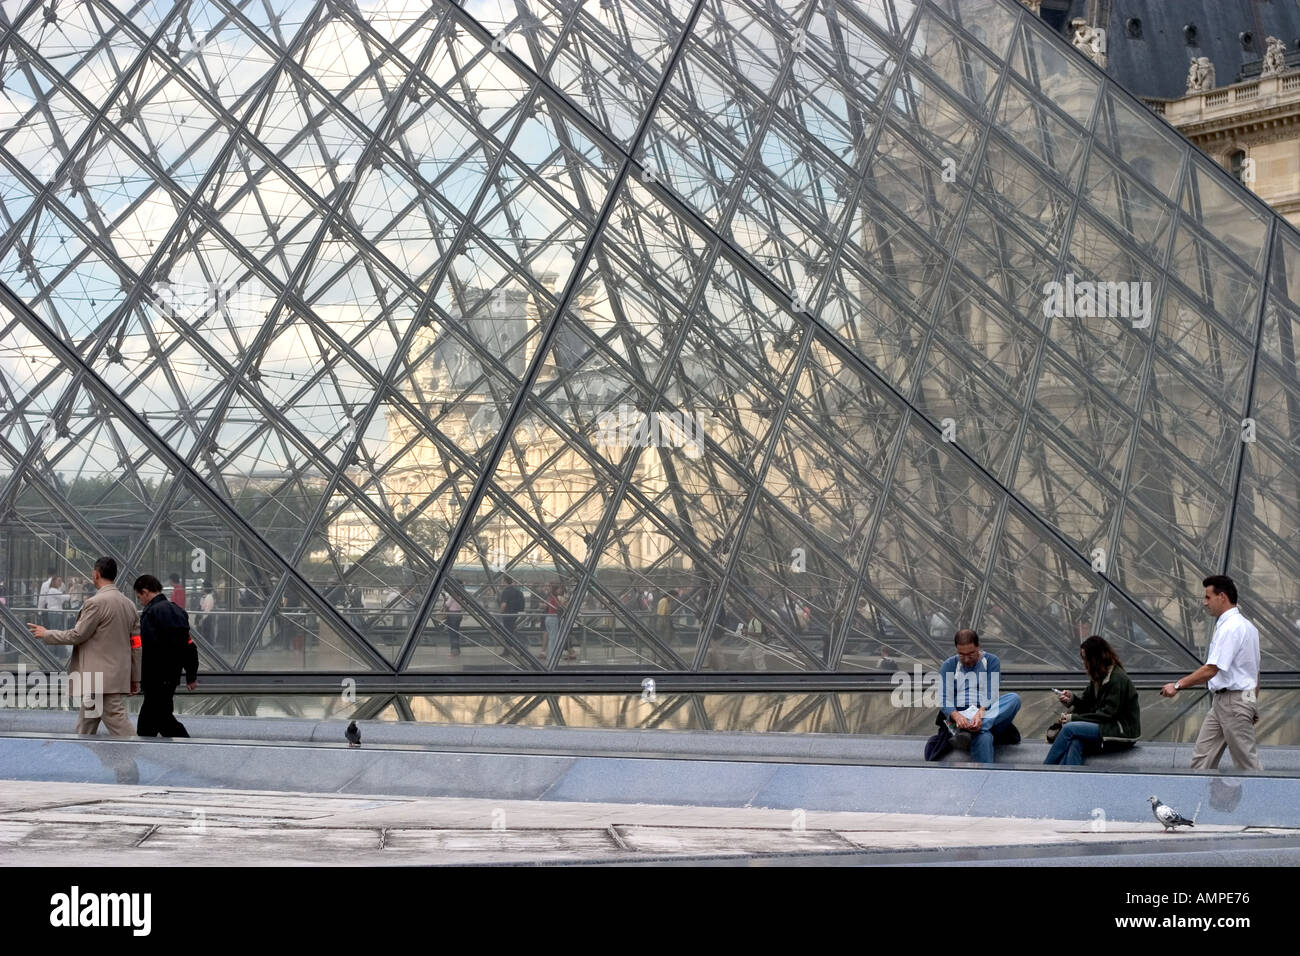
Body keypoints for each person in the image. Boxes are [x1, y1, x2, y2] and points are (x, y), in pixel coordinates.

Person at [27, 556, 140, 736]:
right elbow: (136, 645)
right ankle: (87, 758)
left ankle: (131, 760)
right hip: (115, 674)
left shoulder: (95, 603)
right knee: (85, 726)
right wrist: (135, 677)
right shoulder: (129, 605)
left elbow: (78, 634)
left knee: (119, 725)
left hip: (98, 678)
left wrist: (46, 633)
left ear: (96, 574)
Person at [1161, 575, 1262, 771]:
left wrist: (1176, 686)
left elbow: (1211, 669)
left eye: (1208, 597)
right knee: (1201, 761)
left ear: (1221, 597)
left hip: (1232, 703)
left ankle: (1270, 802)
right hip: (1226, 703)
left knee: (1248, 766)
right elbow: (1254, 673)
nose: (1205, 603)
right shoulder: (1248, 628)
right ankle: (1197, 799)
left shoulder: (1230, 628)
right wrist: (1251, 702)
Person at [1044, 635, 1140, 765]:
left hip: (1120, 730)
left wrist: (1073, 719)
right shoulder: (1099, 677)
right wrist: (1072, 700)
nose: (1083, 662)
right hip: (1105, 726)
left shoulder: (1117, 679)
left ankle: (1046, 769)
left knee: (1069, 729)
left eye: (1085, 658)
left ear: (1094, 658)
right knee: (1075, 742)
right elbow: (1087, 705)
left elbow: (1107, 714)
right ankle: (1069, 778)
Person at [937, 629, 1021, 763]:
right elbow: (943, 697)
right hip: (961, 715)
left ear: (978, 647)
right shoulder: (949, 665)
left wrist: (981, 714)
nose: (966, 659)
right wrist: (956, 716)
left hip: (987, 712)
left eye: (971, 654)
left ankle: (976, 729)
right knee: (984, 737)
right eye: (961, 654)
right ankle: (977, 731)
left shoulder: (992, 661)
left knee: (1014, 698)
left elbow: (991, 693)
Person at [132, 574, 199, 738]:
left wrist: (138, 677)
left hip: (155, 676)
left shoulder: (151, 613)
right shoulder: (178, 611)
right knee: (159, 716)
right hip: (172, 675)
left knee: (156, 722)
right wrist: (191, 674)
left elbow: (148, 649)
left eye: (139, 596)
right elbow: (189, 646)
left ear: (146, 592)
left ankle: (188, 748)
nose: (140, 600)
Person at [541, 582, 569, 659]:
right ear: (556, 589)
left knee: (552, 637)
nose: (561, 590)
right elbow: (558, 607)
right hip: (553, 618)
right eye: (559, 588)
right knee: (553, 638)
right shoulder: (554, 597)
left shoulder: (551, 596)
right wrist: (564, 602)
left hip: (549, 618)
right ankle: (552, 656)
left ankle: (551, 655)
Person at [498, 576, 525, 648]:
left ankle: (508, 648)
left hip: (507, 614)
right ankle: (516, 646)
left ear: (505, 582)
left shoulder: (506, 591)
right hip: (514, 613)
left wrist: (499, 613)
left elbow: (503, 604)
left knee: (507, 632)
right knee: (512, 630)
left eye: (502, 581)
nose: (501, 583)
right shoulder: (517, 591)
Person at [443, 588, 463, 657]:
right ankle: (457, 650)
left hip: (452, 615)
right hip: (459, 614)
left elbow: (447, 605)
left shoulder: (453, 595)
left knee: (452, 634)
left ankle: (454, 652)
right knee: (456, 632)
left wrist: (446, 599)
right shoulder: (462, 594)